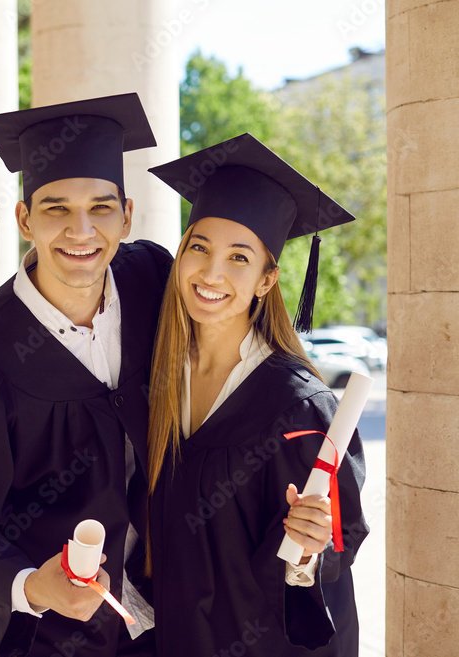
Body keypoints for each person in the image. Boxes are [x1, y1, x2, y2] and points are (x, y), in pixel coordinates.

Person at [0, 94, 173, 656]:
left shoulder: (152, 281)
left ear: (127, 214)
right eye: (55, 209)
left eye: (101, 207)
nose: (81, 231)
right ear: (23, 219)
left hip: (160, 619)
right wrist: (29, 586)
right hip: (37, 634)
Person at [145, 133, 368, 656]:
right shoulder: (156, 379)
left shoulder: (298, 407)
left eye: (239, 258)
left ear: (268, 280)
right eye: (199, 247)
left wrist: (310, 551)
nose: (212, 272)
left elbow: (333, 553)